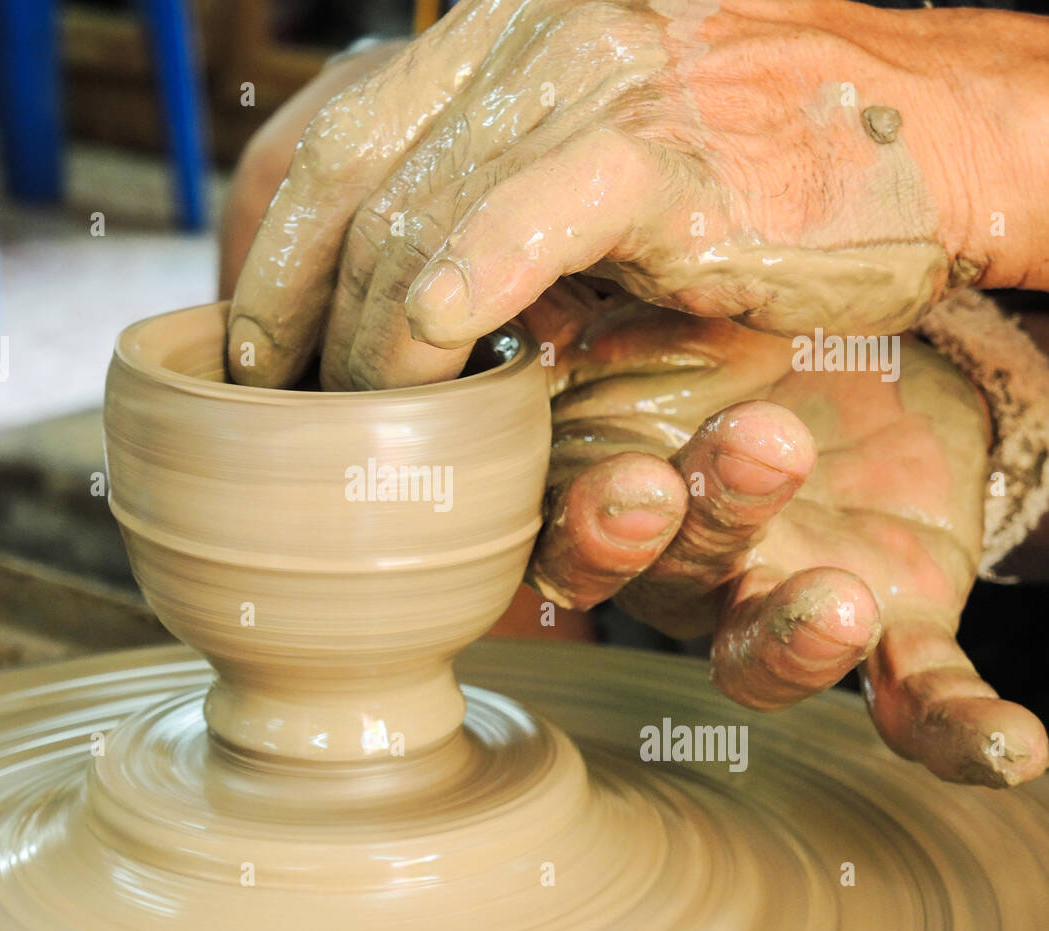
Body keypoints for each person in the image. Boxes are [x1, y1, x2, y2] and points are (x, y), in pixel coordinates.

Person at [218, 0, 1049, 786]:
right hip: (737, 342)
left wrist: (963, 128)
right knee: (352, 204)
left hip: (997, 530)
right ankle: (491, 770)